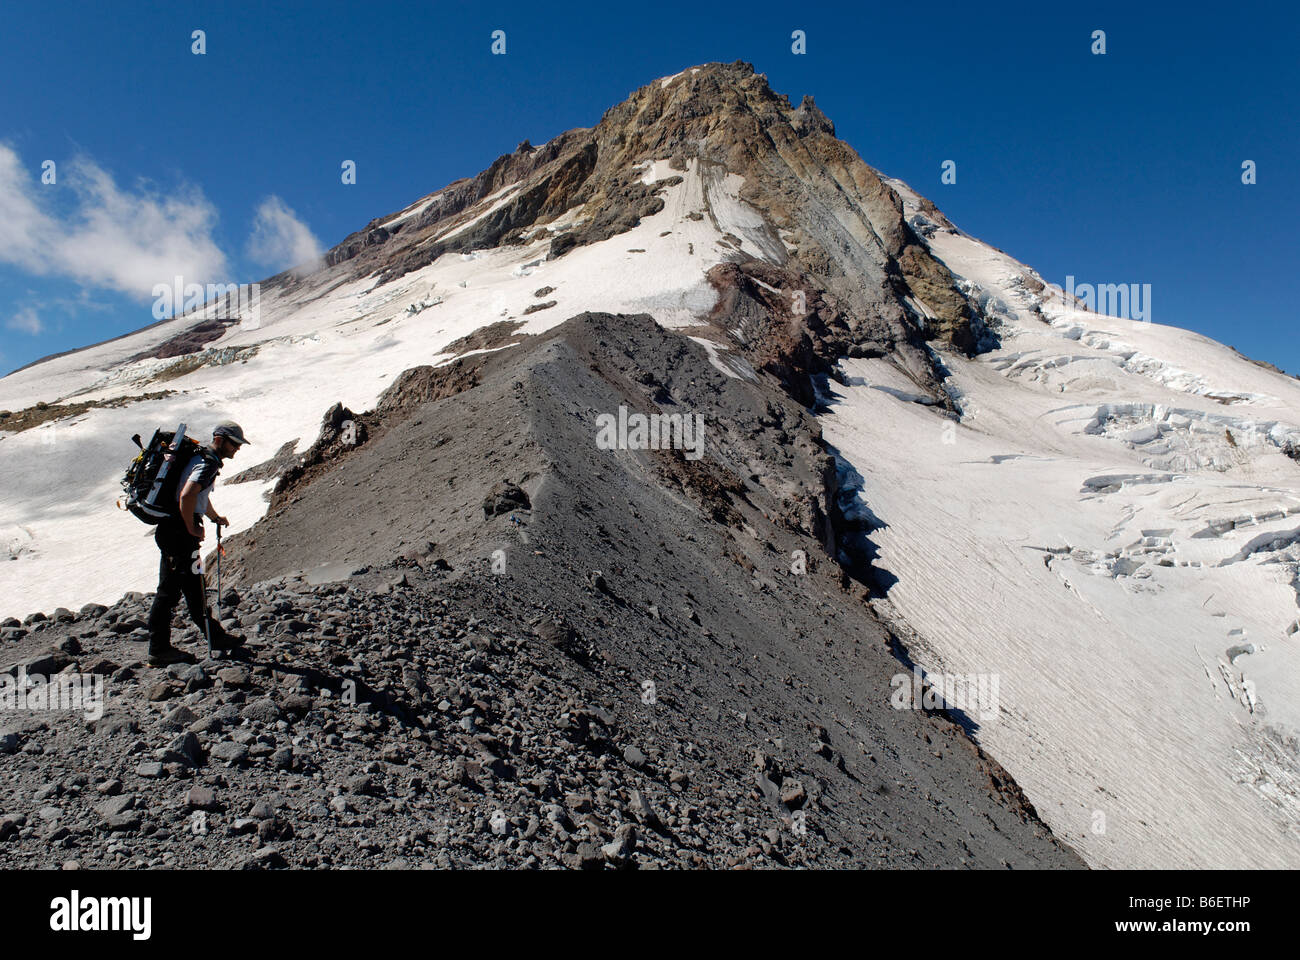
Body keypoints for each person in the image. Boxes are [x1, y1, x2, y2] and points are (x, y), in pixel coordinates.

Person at [146, 421, 250, 666]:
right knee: (178, 592)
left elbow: (198, 494)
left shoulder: (201, 458)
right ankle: (161, 649)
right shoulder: (208, 463)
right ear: (220, 439)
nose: (237, 449)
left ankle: (210, 638)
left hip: (173, 532)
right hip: (180, 536)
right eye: (234, 444)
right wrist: (191, 527)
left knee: (185, 589)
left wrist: (213, 517)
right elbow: (187, 495)